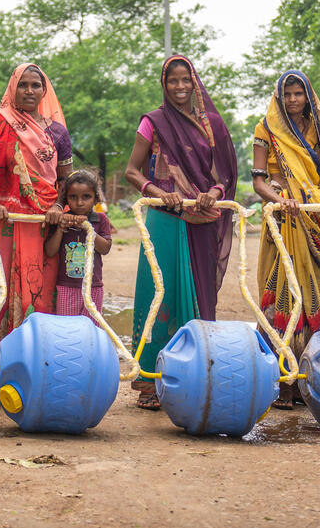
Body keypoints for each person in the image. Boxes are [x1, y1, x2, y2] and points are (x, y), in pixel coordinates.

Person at [124, 54, 237, 409]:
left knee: (201, 294)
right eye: (172, 80)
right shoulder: (153, 122)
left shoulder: (214, 125)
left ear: (195, 81)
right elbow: (132, 171)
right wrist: (159, 192)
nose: (179, 86)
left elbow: (225, 179)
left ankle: (197, 374)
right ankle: (149, 381)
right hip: (164, 219)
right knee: (160, 292)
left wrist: (212, 195)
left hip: (202, 220)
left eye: (185, 79)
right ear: (164, 83)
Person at [252, 71, 320, 409]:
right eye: (288, 94)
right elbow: (259, 181)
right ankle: (280, 380)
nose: (293, 100)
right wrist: (280, 199)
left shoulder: (318, 134)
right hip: (283, 221)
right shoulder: (265, 129)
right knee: (283, 293)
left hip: (314, 219)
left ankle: (305, 381)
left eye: (299, 94)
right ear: (279, 97)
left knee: (311, 297)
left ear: (308, 97)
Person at [0, 63, 71, 380]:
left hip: (42, 225)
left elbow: (67, 181)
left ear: (44, 90)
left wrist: (59, 205)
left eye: (35, 85)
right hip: (3, 223)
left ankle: (34, 367)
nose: (29, 90)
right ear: (12, 88)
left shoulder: (57, 133)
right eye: (22, 84)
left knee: (37, 293)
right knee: (1, 291)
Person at [45, 170, 113, 321]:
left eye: (86, 197)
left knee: (91, 329)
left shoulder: (100, 219)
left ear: (96, 198)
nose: (80, 202)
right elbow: (50, 251)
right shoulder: (62, 220)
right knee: (66, 328)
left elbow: (105, 248)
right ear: (66, 199)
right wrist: (61, 228)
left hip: (93, 287)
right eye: (73, 197)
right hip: (66, 287)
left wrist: (87, 227)